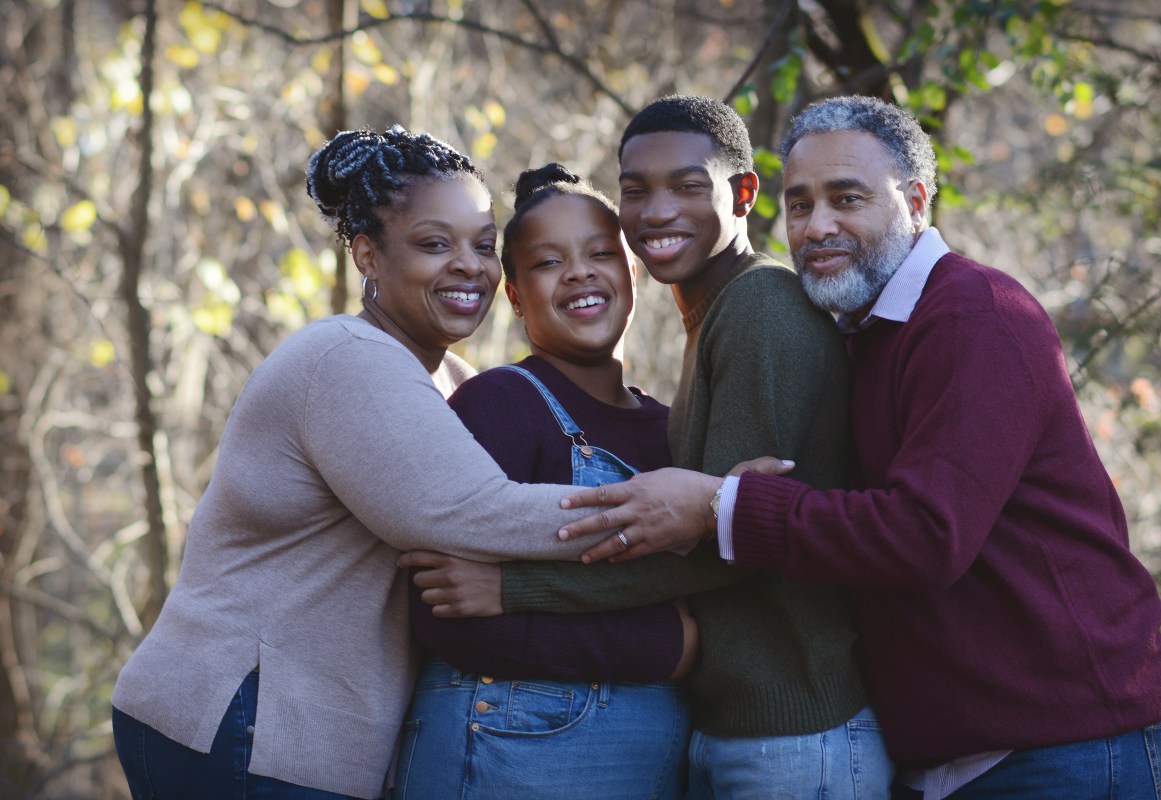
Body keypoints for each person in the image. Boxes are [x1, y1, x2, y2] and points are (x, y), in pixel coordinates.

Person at [555, 95, 1161, 798]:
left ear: (916, 200)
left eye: (847, 198)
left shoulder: (974, 316)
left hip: (1070, 745)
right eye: (800, 205)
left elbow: (928, 534)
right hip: (962, 755)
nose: (818, 226)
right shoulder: (863, 330)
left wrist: (724, 507)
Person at [109, 128, 626, 800]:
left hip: (298, 735)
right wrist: (679, 509)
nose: (471, 266)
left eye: (484, 243)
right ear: (367, 256)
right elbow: (474, 514)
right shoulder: (346, 357)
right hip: (240, 718)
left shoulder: (448, 380)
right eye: (435, 244)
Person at [406, 96, 893, 798]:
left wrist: (517, 588)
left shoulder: (760, 305)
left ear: (743, 193)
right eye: (636, 191)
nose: (658, 211)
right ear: (515, 294)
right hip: (714, 731)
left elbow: (732, 535)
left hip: (793, 732)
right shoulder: (694, 334)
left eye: (688, 185)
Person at [391, 163, 695, 798]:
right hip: (509, 747)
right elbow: (445, 613)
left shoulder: (674, 427)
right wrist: (667, 644)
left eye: (600, 254)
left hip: (655, 759)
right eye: (549, 262)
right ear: (516, 296)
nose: (580, 272)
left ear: (632, 272)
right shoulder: (500, 402)